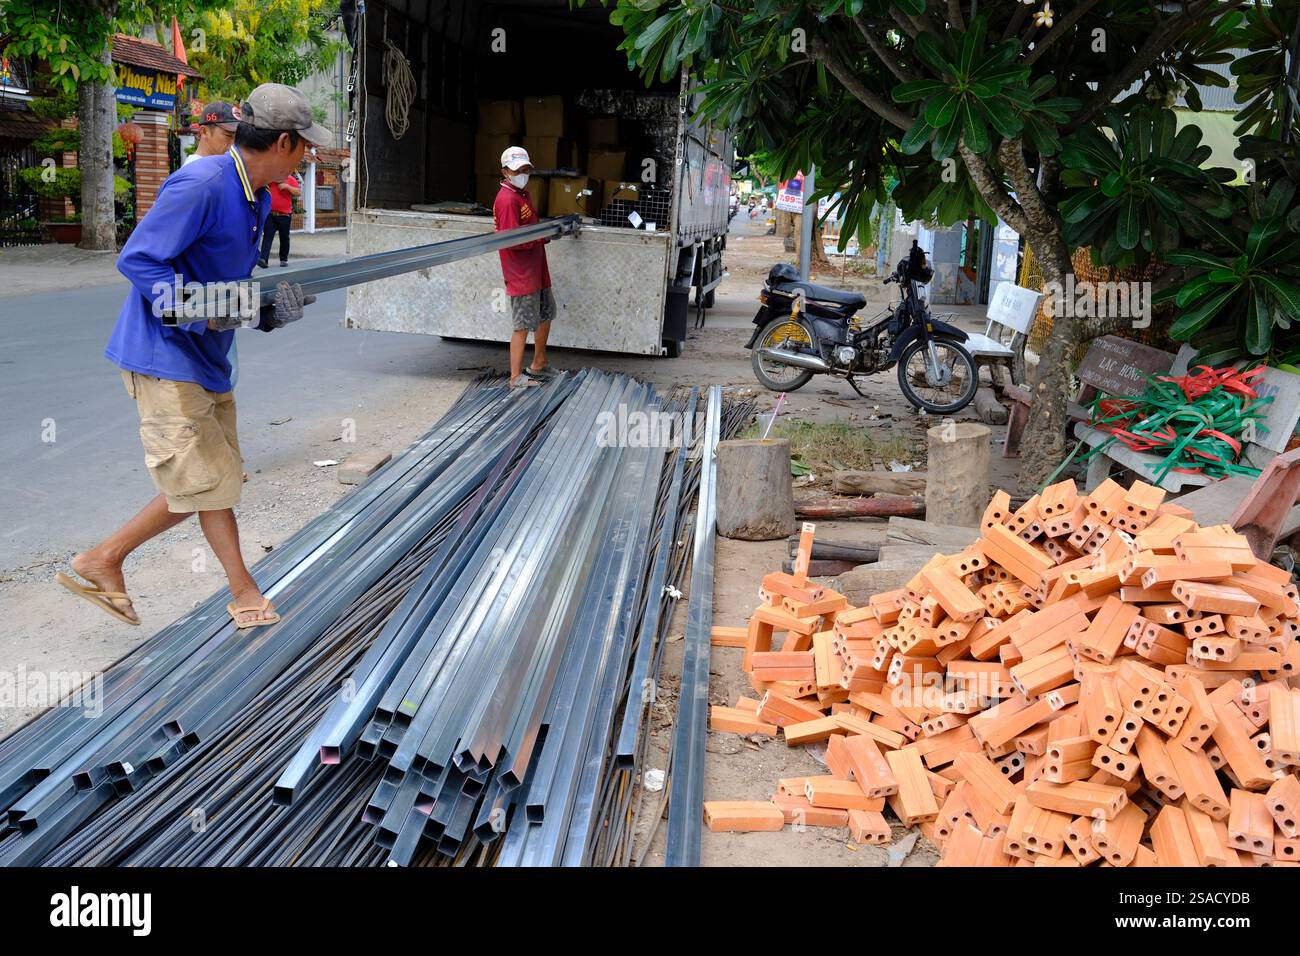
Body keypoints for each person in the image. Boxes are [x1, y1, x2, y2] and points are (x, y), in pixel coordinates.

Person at [57, 83, 332, 630]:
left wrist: (264, 309)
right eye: (305, 146)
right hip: (163, 355)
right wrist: (200, 312)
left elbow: (228, 281)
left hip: (206, 358)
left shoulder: (253, 195)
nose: (310, 155)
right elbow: (138, 262)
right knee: (207, 478)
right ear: (281, 143)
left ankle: (106, 560)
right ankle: (240, 590)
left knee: (215, 478)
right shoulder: (202, 183)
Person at [493, 146, 556, 389]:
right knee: (522, 325)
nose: (523, 173)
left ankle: (539, 363)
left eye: (526, 169)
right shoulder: (507, 200)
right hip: (521, 273)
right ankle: (515, 377)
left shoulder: (522, 194)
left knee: (545, 313)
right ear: (505, 171)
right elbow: (512, 240)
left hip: (536, 268)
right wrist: (542, 237)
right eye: (518, 170)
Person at [258, 168, 301, 268]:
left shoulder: (290, 179)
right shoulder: (270, 179)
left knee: (284, 238)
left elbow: (298, 192)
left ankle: (283, 259)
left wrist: (287, 187)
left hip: (285, 215)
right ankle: (264, 259)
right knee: (267, 237)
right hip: (270, 214)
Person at [183, 101, 238, 165]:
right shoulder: (195, 170)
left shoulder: (219, 165)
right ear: (204, 131)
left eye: (237, 137)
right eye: (228, 136)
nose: (234, 144)